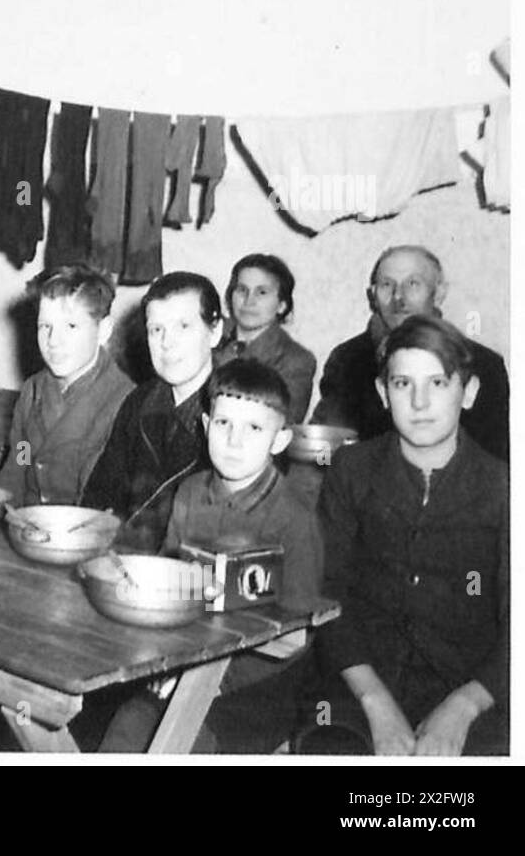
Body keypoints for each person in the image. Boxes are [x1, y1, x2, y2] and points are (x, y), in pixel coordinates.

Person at [300, 315, 507, 756]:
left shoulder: (505, 489)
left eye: (437, 383)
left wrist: (465, 706)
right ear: (382, 393)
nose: (419, 401)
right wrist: (375, 701)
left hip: (474, 690)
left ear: (467, 392)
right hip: (360, 681)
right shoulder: (351, 471)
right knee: (325, 742)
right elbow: (326, 592)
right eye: (402, 384)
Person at [99, 359, 324, 753]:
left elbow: (294, 639)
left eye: (253, 428)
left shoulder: (294, 517)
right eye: (223, 424)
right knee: (128, 724)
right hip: (189, 658)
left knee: (186, 742)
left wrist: (208, 679)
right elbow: (176, 591)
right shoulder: (188, 493)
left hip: (261, 681)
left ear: (280, 441)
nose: (234, 441)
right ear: (205, 427)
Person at [312, 245, 509, 461]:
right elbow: (329, 445)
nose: (398, 297)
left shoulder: (482, 364)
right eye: (387, 285)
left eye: (413, 284)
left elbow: (494, 458)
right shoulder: (347, 360)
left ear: (439, 293)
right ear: (373, 295)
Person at [79, 272, 224, 553]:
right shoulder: (140, 401)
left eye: (183, 326)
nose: (167, 343)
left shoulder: (236, 414)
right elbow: (101, 492)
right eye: (156, 329)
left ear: (215, 330)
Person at [0, 264, 134, 505]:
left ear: (103, 330)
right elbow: (21, 461)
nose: (53, 341)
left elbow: (106, 503)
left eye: (71, 326)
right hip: (26, 526)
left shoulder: (125, 403)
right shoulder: (32, 391)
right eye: (45, 326)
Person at [213, 253, 316, 424]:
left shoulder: (296, 361)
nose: (248, 301)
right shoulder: (209, 339)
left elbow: (281, 425)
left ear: (282, 305)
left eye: (261, 292)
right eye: (242, 290)